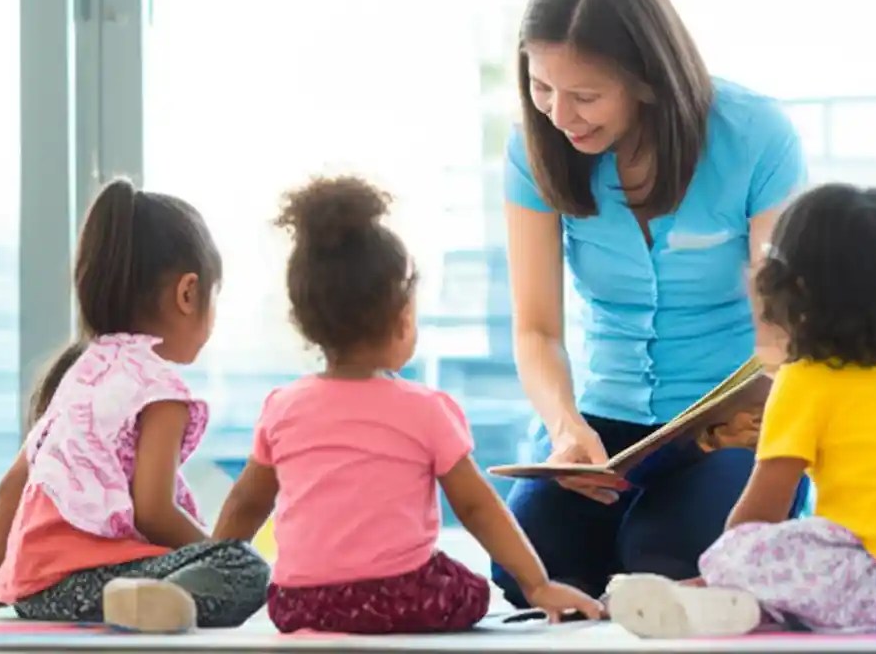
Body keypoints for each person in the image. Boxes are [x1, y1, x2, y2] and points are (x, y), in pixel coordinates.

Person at [495, 0, 809, 605]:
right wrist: (563, 428)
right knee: (528, 567)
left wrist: (743, 425)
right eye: (540, 86)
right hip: (603, 428)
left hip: (730, 429)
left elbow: (783, 332)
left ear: (646, 78)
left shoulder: (754, 135)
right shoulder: (534, 149)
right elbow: (536, 328)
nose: (559, 114)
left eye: (585, 95)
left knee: (663, 563)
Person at [605, 184, 876, 638]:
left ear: (793, 287)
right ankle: (741, 608)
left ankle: (722, 601)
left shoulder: (807, 378)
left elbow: (756, 517)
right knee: (817, 541)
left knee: (742, 550)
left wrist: (720, 568)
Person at [211, 174, 604, 634]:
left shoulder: (283, 407)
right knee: (471, 589)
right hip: (401, 599)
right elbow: (478, 508)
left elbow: (246, 501)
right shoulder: (425, 409)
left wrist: (214, 567)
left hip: (300, 603)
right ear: (402, 321)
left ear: (305, 320)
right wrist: (537, 585)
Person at [0, 178, 270, 632]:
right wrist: (214, 550)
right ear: (188, 293)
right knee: (246, 567)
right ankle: (146, 603)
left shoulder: (82, 372)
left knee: (217, 562)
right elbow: (153, 511)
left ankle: (146, 601)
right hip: (102, 585)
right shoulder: (159, 388)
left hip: (34, 594)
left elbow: (11, 486)